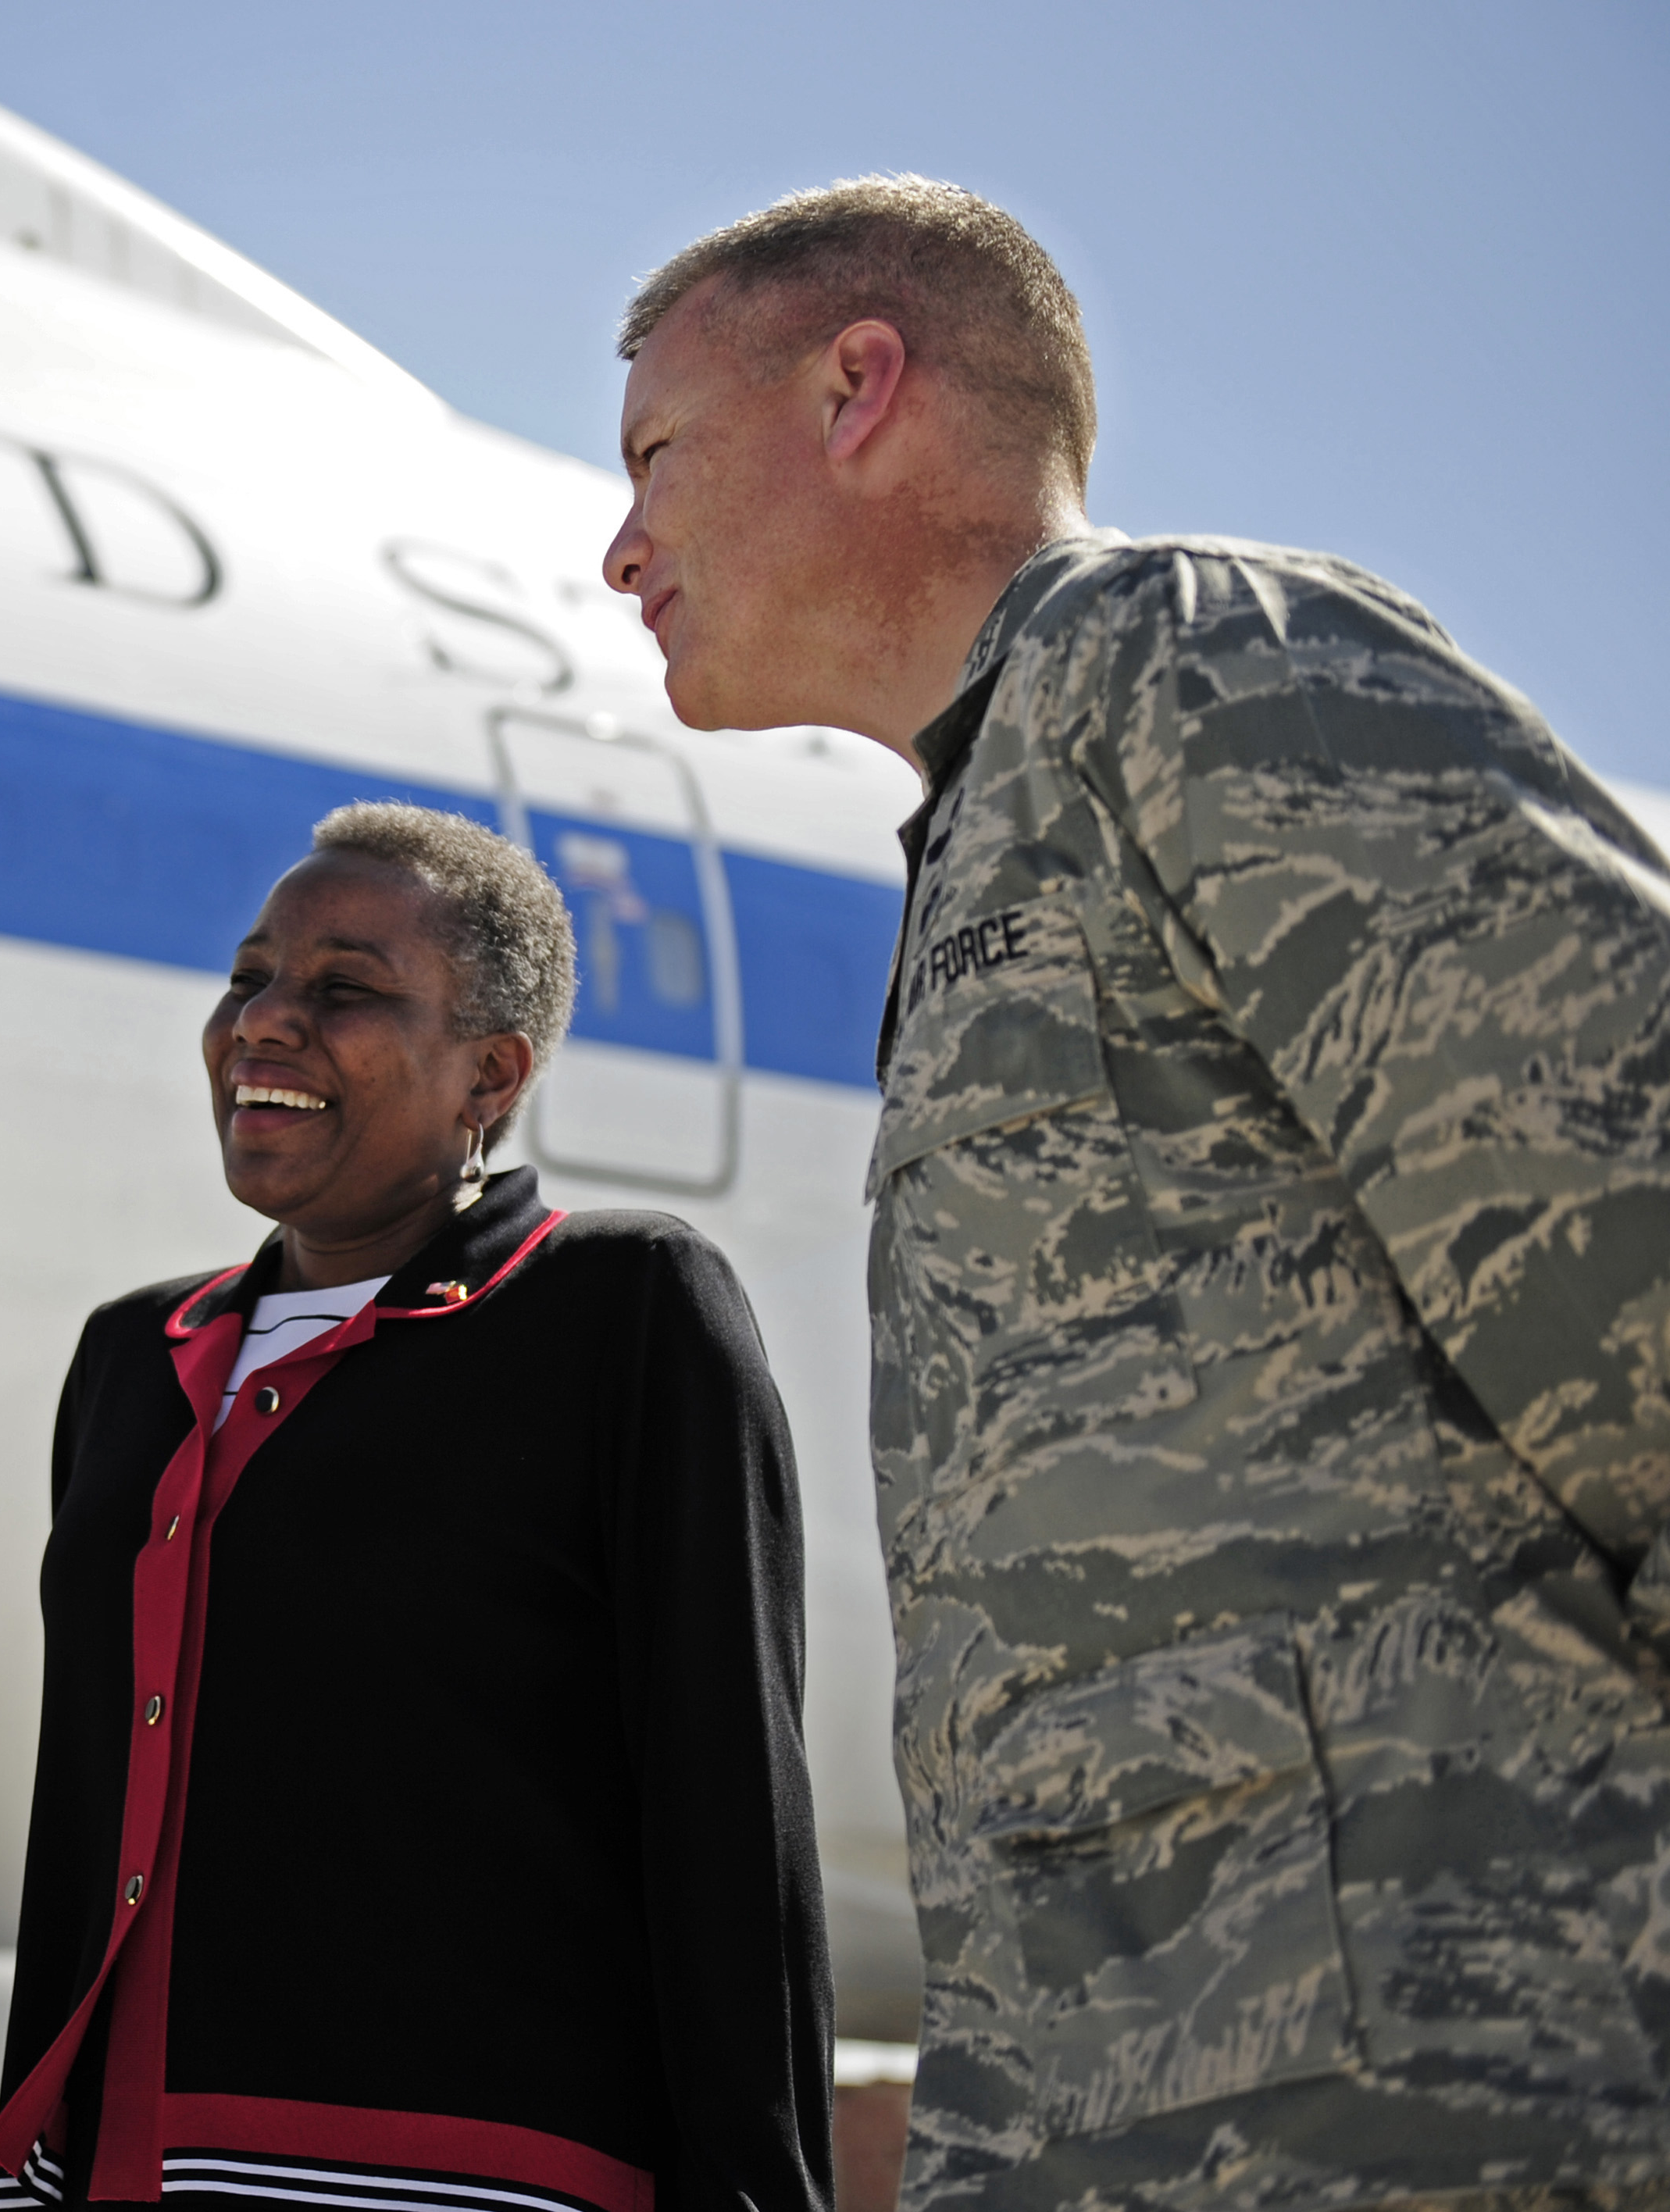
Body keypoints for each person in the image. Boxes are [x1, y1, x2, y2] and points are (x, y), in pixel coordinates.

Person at [601, 177, 1670, 2207]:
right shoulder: (989, 823)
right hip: (1106, 2104)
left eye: (658, 454)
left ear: (857, 389)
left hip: (1437, 2088)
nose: (621, 544)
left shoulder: (1191, 666)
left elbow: (1633, 1240)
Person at [0, 802, 834, 2212]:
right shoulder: (134, 1358)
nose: (264, 1021)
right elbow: (80, 1814)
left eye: (345, 991)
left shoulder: (622, 1310)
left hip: (477, 2178)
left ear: (490, 1074)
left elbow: (731, 1821)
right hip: (128, 2166)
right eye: (250, 978)